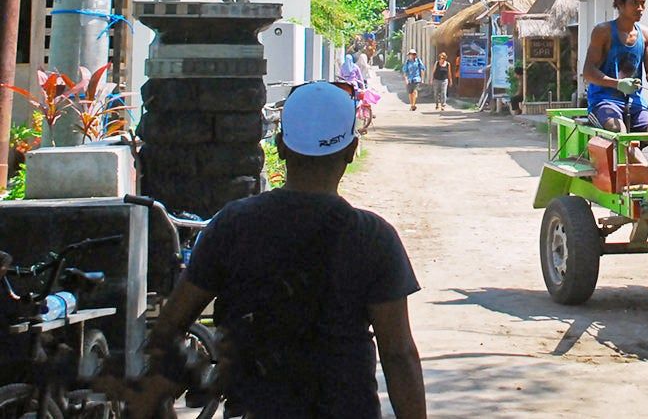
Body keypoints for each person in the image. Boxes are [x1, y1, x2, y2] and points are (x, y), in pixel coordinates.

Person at [130, 81, 426, 419]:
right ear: (351, 150)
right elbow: (398, 353)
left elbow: (171, 324)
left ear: (281, 147)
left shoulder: (232, 226)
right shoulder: (374, 238)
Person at [582, 0, 648, 158]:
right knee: (621, 134)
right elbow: (588, 72)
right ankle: (644, 177)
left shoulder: (646, 34)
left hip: (635, 103)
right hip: (604, 101)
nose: (640, 9)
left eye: (643, 4)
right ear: (619, 4)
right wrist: (618, 84)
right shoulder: (603, 31)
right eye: (635, 3)